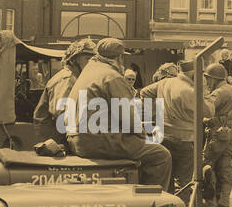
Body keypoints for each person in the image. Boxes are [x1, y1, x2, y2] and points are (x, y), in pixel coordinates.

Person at [68, 37, 172, 189]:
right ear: (118, 58)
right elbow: (129, 119)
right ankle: (152, 203)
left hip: (76, 140)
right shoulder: (112, 76)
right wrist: (143, 136)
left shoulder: (88, 71)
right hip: (98, 142)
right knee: (160, 155)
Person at [138, 63, 211, 202]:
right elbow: (210, 111)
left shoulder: (165, 82)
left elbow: (144, 92)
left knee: (166, 178)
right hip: (185, 140)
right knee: (183, 183)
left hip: (162, 135)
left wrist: (154, 115)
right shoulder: (190, 91)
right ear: (193, 75)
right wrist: (205, 91)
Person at [34, 38, 96, 146]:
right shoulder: (66, 79)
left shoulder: (77, 79)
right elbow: (62, 117)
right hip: (56, 144)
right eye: (87, 59)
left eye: (93, 59)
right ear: (73, 60)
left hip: (64, 140)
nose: (91, 63)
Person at [202, 62, 232, 207]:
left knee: (207, 166)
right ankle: (224, 201)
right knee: (226, 168)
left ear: (213, 78)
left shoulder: (218, 93)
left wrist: (204, 120)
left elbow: (207, 110)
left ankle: (210, 202)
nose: (207, 82)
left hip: (215, 135)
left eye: (208, 79)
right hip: (228, 134)